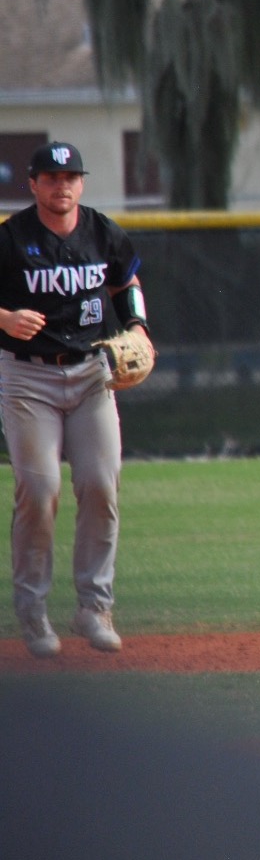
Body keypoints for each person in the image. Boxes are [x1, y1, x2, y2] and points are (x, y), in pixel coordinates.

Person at [1, 141, 147, 657]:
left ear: (80, 183)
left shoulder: (101, 231)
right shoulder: (12, 238)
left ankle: (94, 606)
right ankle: (33, 612)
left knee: (99, 485)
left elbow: (125, 282)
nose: (61, 186)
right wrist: (3, 319)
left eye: (71, 178)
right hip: (28, 378)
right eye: (51, 178)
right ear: (34, 184)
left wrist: (137, 327)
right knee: (39, 492)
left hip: (91, 376)